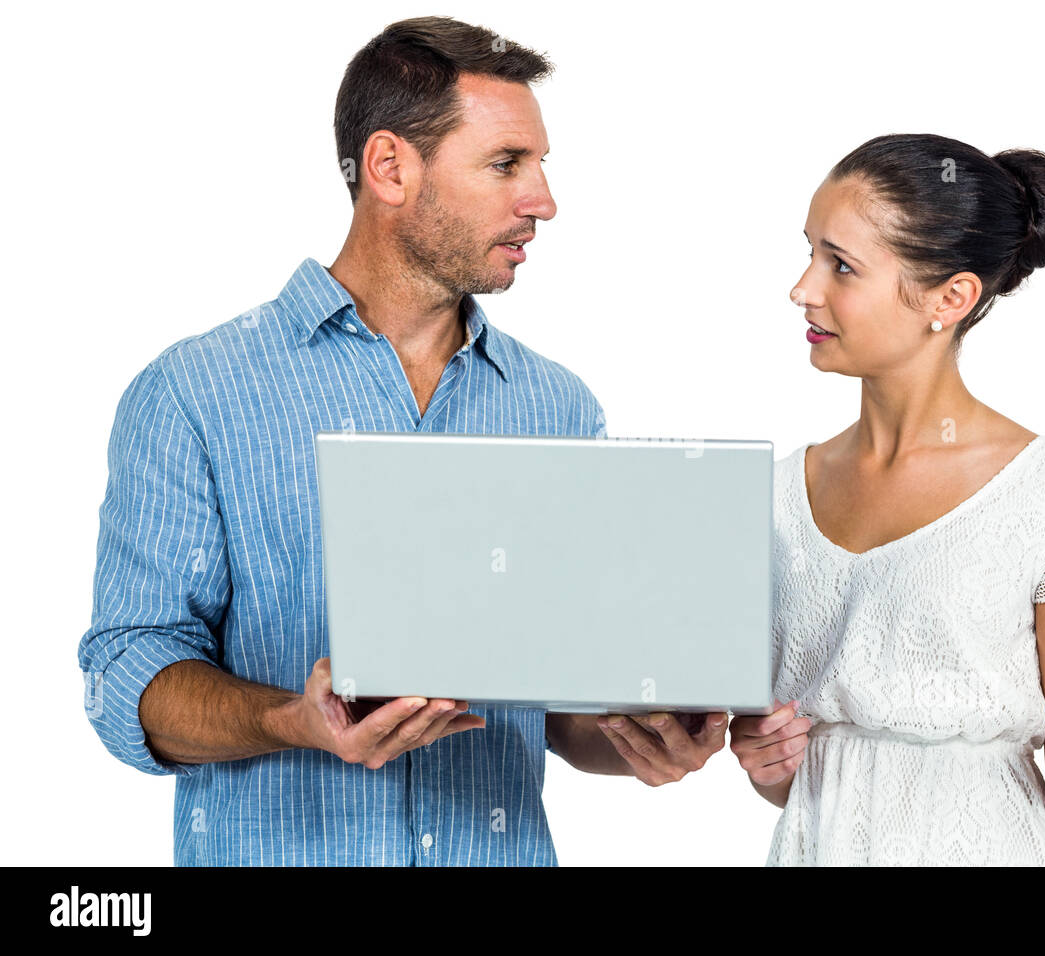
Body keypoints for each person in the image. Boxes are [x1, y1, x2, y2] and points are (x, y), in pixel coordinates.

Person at [77, 15, 725, 867]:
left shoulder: (558, 406)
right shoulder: (195, 392)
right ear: (390, 167)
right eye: (506, 165)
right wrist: (293, 722)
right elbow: (129, 668)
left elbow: (560, 704)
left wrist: (646, 737)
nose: (544, 201)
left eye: (540, 166)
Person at [728, 133, 1045, 865]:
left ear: (950, 297)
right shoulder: (775, 497)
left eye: (841, 266)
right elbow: (804, 764)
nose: (803, 288)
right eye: (809, 253)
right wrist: (768, 761)